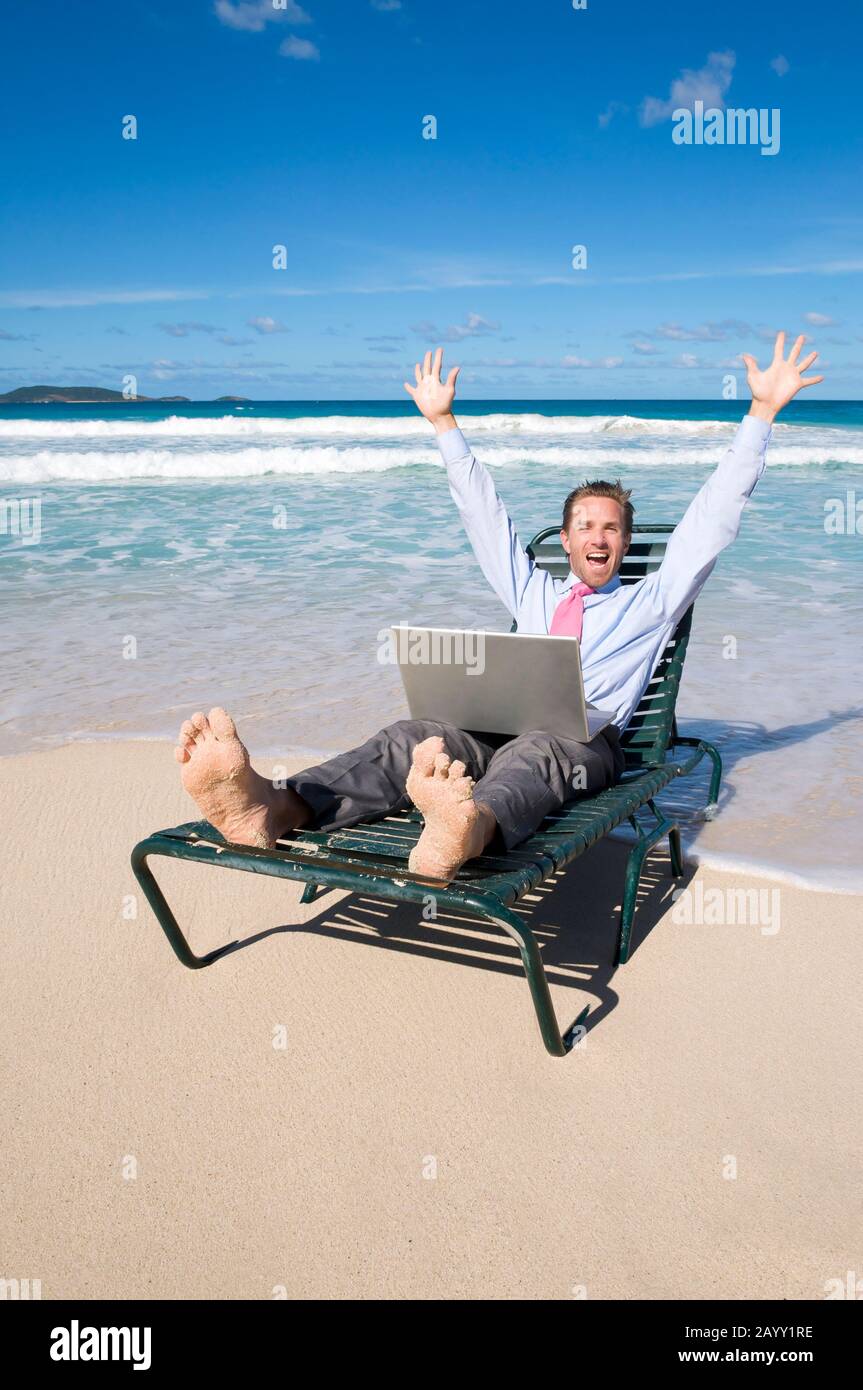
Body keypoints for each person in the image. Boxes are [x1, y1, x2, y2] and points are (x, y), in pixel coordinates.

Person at [174, 333, 823, 882]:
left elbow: (711, 520)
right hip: (492, 731)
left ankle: (464, 829)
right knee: (414, 735)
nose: (598, 537)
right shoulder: (535, 593)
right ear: (565, 540)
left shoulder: (651, 601)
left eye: (611, 528)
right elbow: (484, 518)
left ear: (625, 543)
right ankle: (270, 808)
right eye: (584, 526)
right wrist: (443, 425)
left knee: (537, 750)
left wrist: (760, 415)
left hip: (585, 743)